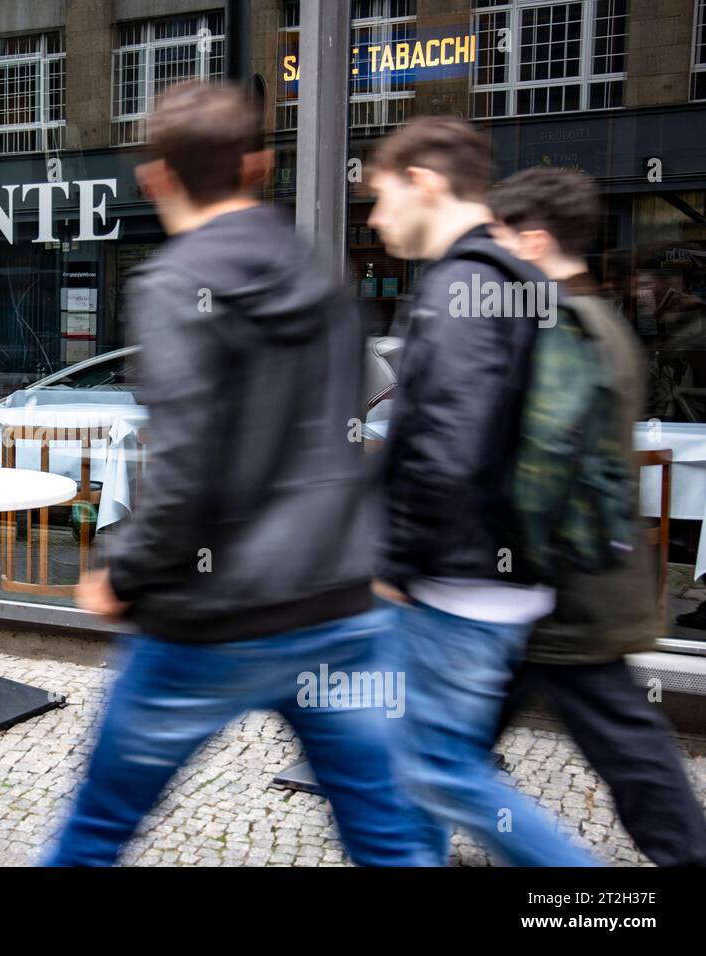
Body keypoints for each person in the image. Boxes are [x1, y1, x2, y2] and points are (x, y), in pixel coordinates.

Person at [41, 81, 441, 867]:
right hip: (338, 607)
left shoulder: (172, 283)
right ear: (260, 166)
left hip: (211, 619)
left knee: (95, 833)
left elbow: (190, 468)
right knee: (389, 841)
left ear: (157, 179)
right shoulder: (321, 273)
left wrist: (122, 572)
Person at [367, 116, 595, 866]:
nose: (374, 217)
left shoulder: (465, 284)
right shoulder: (511, 277)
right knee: (418, 770)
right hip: (498, 576)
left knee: (438, 770)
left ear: (425, 184)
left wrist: (396, 566)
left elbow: (449, 446)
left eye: (380, 195)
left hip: (457, 585)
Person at [488, 165, 706, 867]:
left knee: (627, 745)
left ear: (535, 240)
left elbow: (543, 466)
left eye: (499, 237)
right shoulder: (599, 319)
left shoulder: (562, 325)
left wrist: (485, 558)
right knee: (457, 738)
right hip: (574, 585)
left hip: (562, 592)